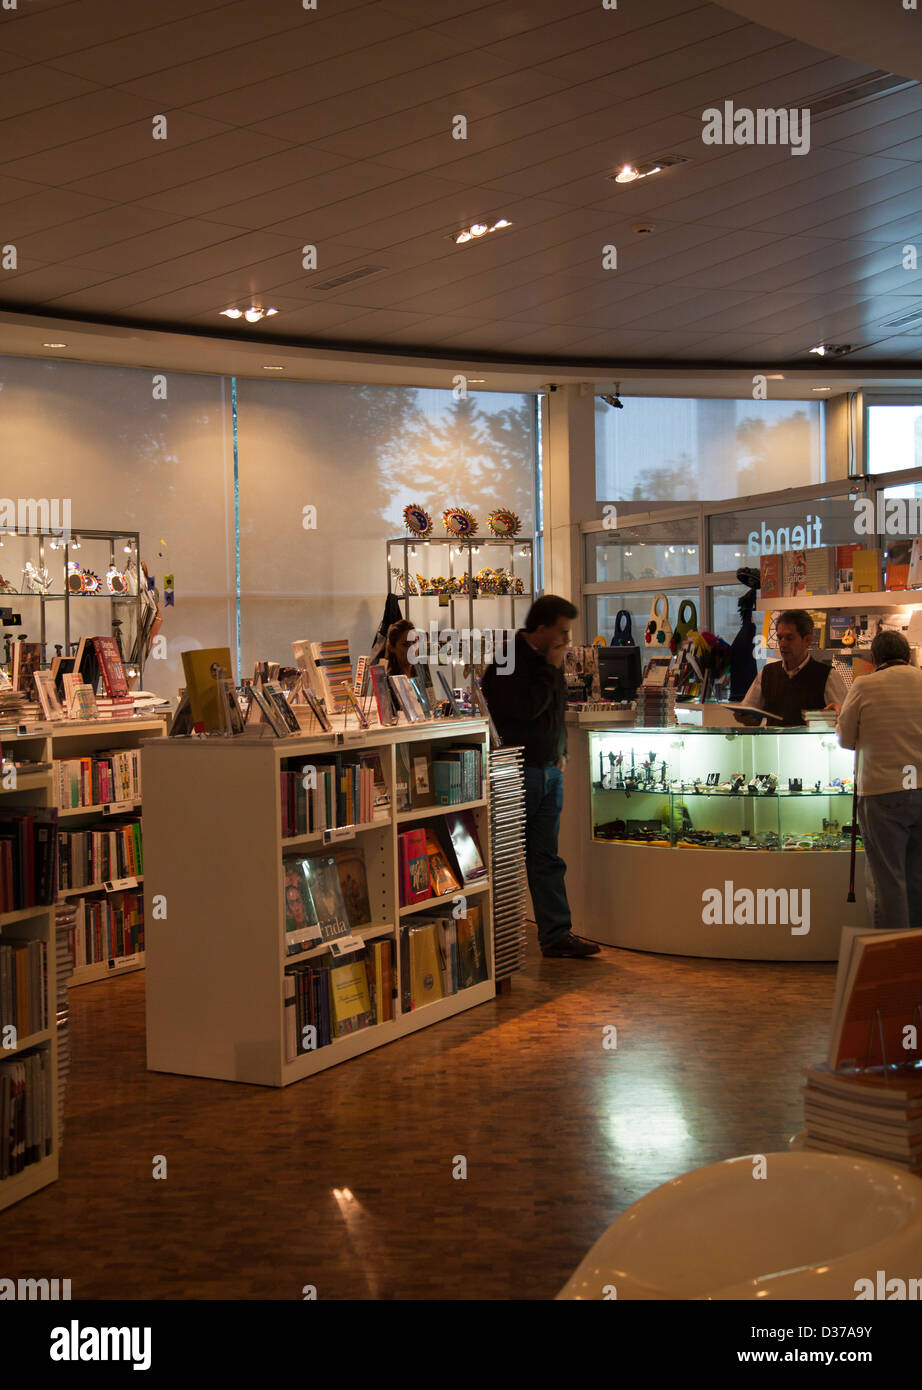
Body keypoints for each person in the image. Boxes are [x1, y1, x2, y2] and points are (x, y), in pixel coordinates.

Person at [482, 594, 601, 959]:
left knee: (547, 856)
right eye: (562, 632)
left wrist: (561, 751)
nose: (566, 640)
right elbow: (527, 709)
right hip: (518, 772)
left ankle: (555, 934)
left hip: (549, 771)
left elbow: (555, 709)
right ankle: (496, 939)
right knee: (507, 857)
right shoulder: (508, 660)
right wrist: (551, 668)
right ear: (542, 627)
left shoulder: (549, 660)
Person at [837, 630, 922, 932]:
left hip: (882, 793)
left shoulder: (865, 684)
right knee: (916, 880)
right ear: (909, 657)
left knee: (889, 883)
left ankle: (894, 960)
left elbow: (845, 739)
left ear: (873, 660)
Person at [734, 610, 847, 726]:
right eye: (779, 637)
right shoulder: (767, 672)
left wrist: (835, 716)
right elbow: (748, 708)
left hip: (811, 743)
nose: (782, 644)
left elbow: (846, 718)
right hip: (773, 742)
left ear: (807, 640)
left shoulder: (827, 675)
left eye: (789, 638)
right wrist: (746, 717)